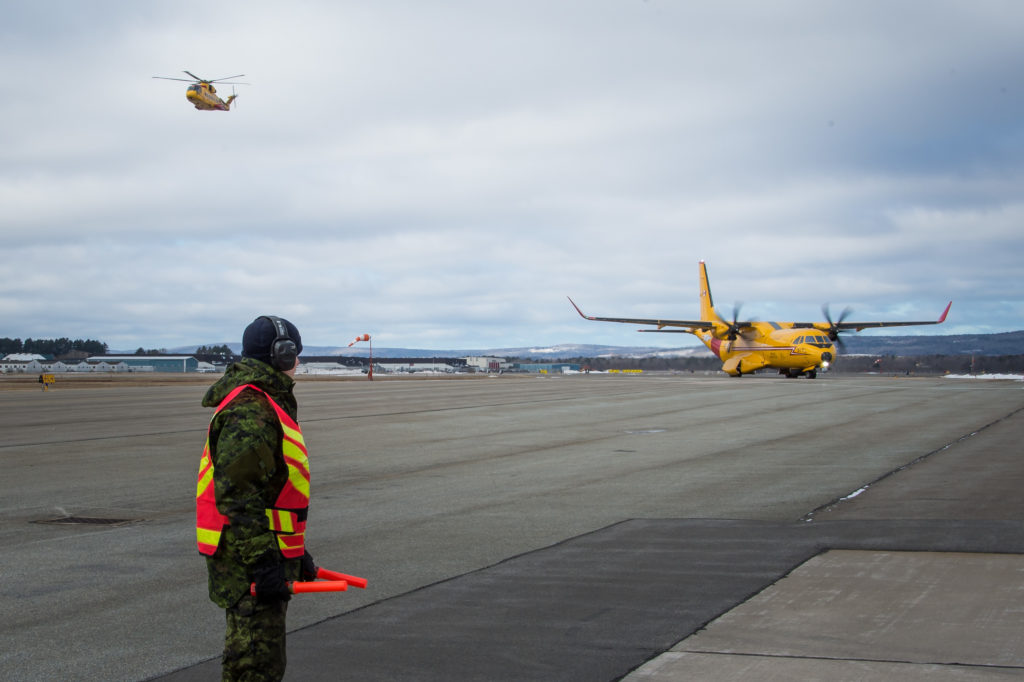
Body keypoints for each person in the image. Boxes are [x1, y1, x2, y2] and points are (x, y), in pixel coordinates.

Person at [195, 315, 316, 681]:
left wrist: (293, 555)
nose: (297, 363)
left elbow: (272, 492)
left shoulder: (265, 401)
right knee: (252, 666)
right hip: (247, 562)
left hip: (260, 553)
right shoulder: (252, 411)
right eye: (294, 353)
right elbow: (239, 495)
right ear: (282, 354)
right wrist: (265, 563)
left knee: (263, 662)